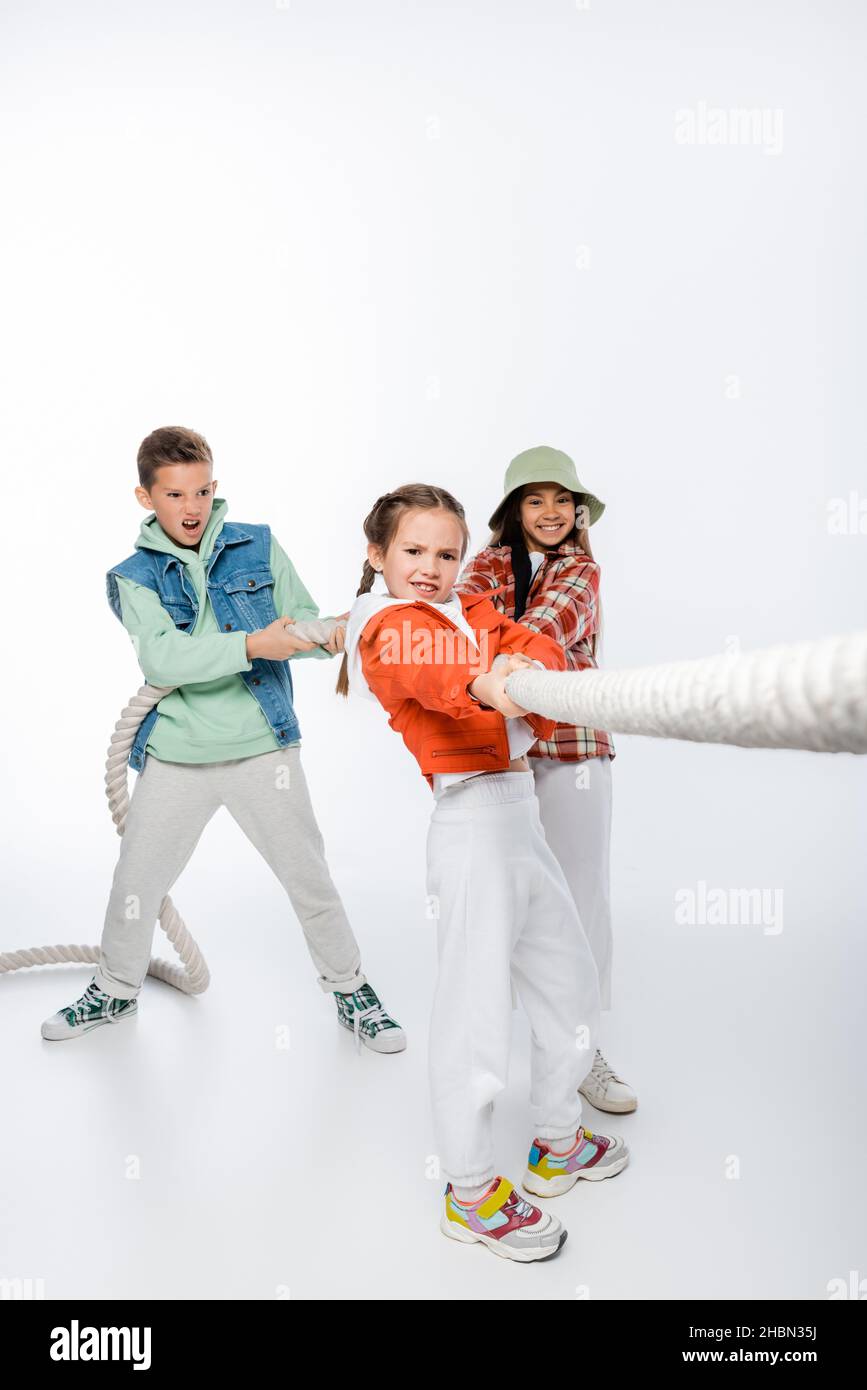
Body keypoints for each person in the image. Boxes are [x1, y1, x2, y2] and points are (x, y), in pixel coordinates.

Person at [41, 425, 404, 1055]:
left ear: (215, 486)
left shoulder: (258, 546)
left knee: (308, 876)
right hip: (179, 756)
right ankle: (117, 987)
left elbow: (302, 624)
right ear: (144, 496)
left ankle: (351, 991)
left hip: (264, 748)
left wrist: (346, 631)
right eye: (177, 494)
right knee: (137, 883)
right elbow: (164, 660)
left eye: (203, 490)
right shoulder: (132, 576)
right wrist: (252, 644)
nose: (192, 507)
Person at [339, 482, 628, 1263]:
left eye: (445, 553)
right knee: (475, 1010)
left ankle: (555, 1141)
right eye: (412, 552)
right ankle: (468, 1192)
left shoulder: (469, 614)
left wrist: (510, 674)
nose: (430, 568)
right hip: (469, 826)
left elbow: (533, 646)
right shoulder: (384, 626)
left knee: (566, 980)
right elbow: (437, 681)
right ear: (378, 556)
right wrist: (487, 682)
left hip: (519, 819)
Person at [455, 446, 636, 1113]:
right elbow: (462, 622)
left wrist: (494, 657)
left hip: (573, 750)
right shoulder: (480, 566)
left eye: (563, 500)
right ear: (512, 511)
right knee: (502, 900)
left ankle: (583, 1053)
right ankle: (489, 1061)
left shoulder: (581, 571)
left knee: (580, 898)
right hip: (500, 748)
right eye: (536, 500)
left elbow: (544, 630)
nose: (552, 512)